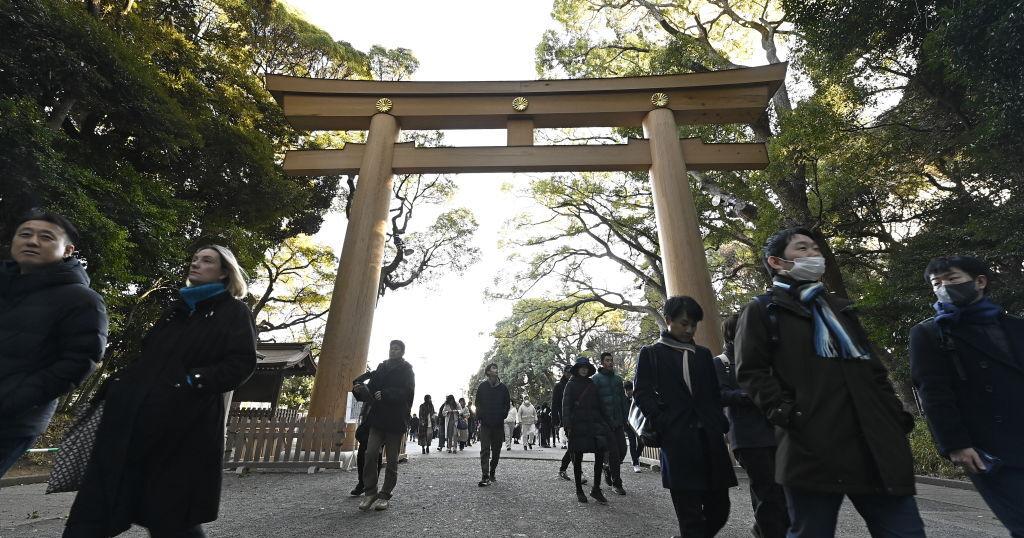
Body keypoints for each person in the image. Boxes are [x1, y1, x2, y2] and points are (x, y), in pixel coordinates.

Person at [736, 227, 923, 537]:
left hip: (873, 441)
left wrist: (894, 414)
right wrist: (789, 414)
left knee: (904, 531)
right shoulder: (763, 310)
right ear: (777, 262)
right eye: (802, 249)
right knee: (812, 530)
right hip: (812, 444)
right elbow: (751, 372)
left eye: (816, 249)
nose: (814, 254)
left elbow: (873, 369)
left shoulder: (841, 308)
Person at [63, 244, 257, 537]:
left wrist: (191, 381)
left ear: (224, 273)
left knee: (171, 514)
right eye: (194, 259)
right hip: (134, 417)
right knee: (98, 505)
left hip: (186, 423)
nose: (196, 264)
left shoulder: (234, 312)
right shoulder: (176, 309)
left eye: (207, 261)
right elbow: (149, 355)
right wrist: (122, 383)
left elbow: (241, 363)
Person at [911, 255, 1024, 536]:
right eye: (937, 283)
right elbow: (934, 394)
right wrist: (955, 444)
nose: (944, 287)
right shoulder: (929, 333)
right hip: (989, 449)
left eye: (953, 279)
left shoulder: (1015, 326)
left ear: (980, 282)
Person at [0, 211, 108, 478]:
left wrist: (11, 400)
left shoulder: (83, 300)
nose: (32, 241)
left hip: (11, 421)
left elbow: (77, 363)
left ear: (68, 249)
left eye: (46, 237)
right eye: (25, 234)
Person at [634, 295, 736, 537]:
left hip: (709, 440)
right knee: (689, 513)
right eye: (683, 323)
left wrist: (719, 423)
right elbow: (642, 392)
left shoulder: (702, 354)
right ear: (668, 320)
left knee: (721, 508)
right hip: (678, 440)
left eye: (694, 325)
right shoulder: (652, 353)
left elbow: (713, 393)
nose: (689, 329)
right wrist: (662, 421)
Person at [714, 313, 789, 538]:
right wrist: (749, 395)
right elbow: (719, 394)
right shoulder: (721, 363)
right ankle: (770, 532)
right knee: (766, 489)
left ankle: (766, 529)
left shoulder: (762, 358)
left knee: (782, 487)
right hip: (746, 434)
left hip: (774, 430)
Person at [357, 339, 415, 512]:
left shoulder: (407, 369)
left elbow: (408, 392)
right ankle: (370, 491)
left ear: (402, 352)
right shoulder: (381, 367)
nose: (393, 351)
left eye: (396, 349)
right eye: (391, 348)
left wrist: (388, 393)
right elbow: (372, 387)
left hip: (395, 419)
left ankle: (385, 494)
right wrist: (361, 389)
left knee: (391, 460)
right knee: (370, 453)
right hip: (378, 417)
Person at [562, 357, 611, 504]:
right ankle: (579, 489)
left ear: (588, 370)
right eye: (581, 367)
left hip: (594, 425)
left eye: (586, 367)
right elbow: (566, 407)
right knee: (577, 458)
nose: (583, 369)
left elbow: (600, 404)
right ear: (577, 369)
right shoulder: (570, 385)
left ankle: (596, 488)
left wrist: (604, 422)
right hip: (577, 425)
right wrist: (567, 425)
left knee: (600, 454)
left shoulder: (592, 384)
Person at [593, 351, 629, 495]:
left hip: (618, 422)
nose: (610, 362)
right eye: (607, 360)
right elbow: (594, 402)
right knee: (614, 452)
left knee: (622, 450)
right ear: (602, 363)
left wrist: (625, 418)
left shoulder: (618, 380)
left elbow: (623, 401)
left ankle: (607, 467)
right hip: (605, 423)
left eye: (611, 360)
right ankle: (617, 483)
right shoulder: (596, 379)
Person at [474, 363, 511, 486]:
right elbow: (477, 403)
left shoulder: (503, 388)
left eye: (496, 368)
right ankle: (485, 475)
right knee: (484, 450)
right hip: (485, 424)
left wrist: (503, 414)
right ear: (488, 372)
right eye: (493, 368)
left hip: (498, 424)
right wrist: (480, 416)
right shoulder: (482, 387)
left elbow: (507, 403)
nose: (496, 370)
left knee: (496, 451)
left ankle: (492, 471)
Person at [349, 378, 382, 497]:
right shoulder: (371, 384)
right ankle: (362, 482)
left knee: (375, 454)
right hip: (367, 422)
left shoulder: (385, 385)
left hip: (380, 422)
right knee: (362, 454)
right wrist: (368, 375)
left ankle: (371, 484)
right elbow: (356, 382)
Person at [622, 380, 644, 473]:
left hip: (638, 424)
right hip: (628, 425)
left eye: (630, 389)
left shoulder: (637, 398)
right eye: (626, 390)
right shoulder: (623, 399)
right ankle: (635, 463)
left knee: (642, 442)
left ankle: (636, 457)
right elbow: (622, 411)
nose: (628, 392)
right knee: (632, 443)